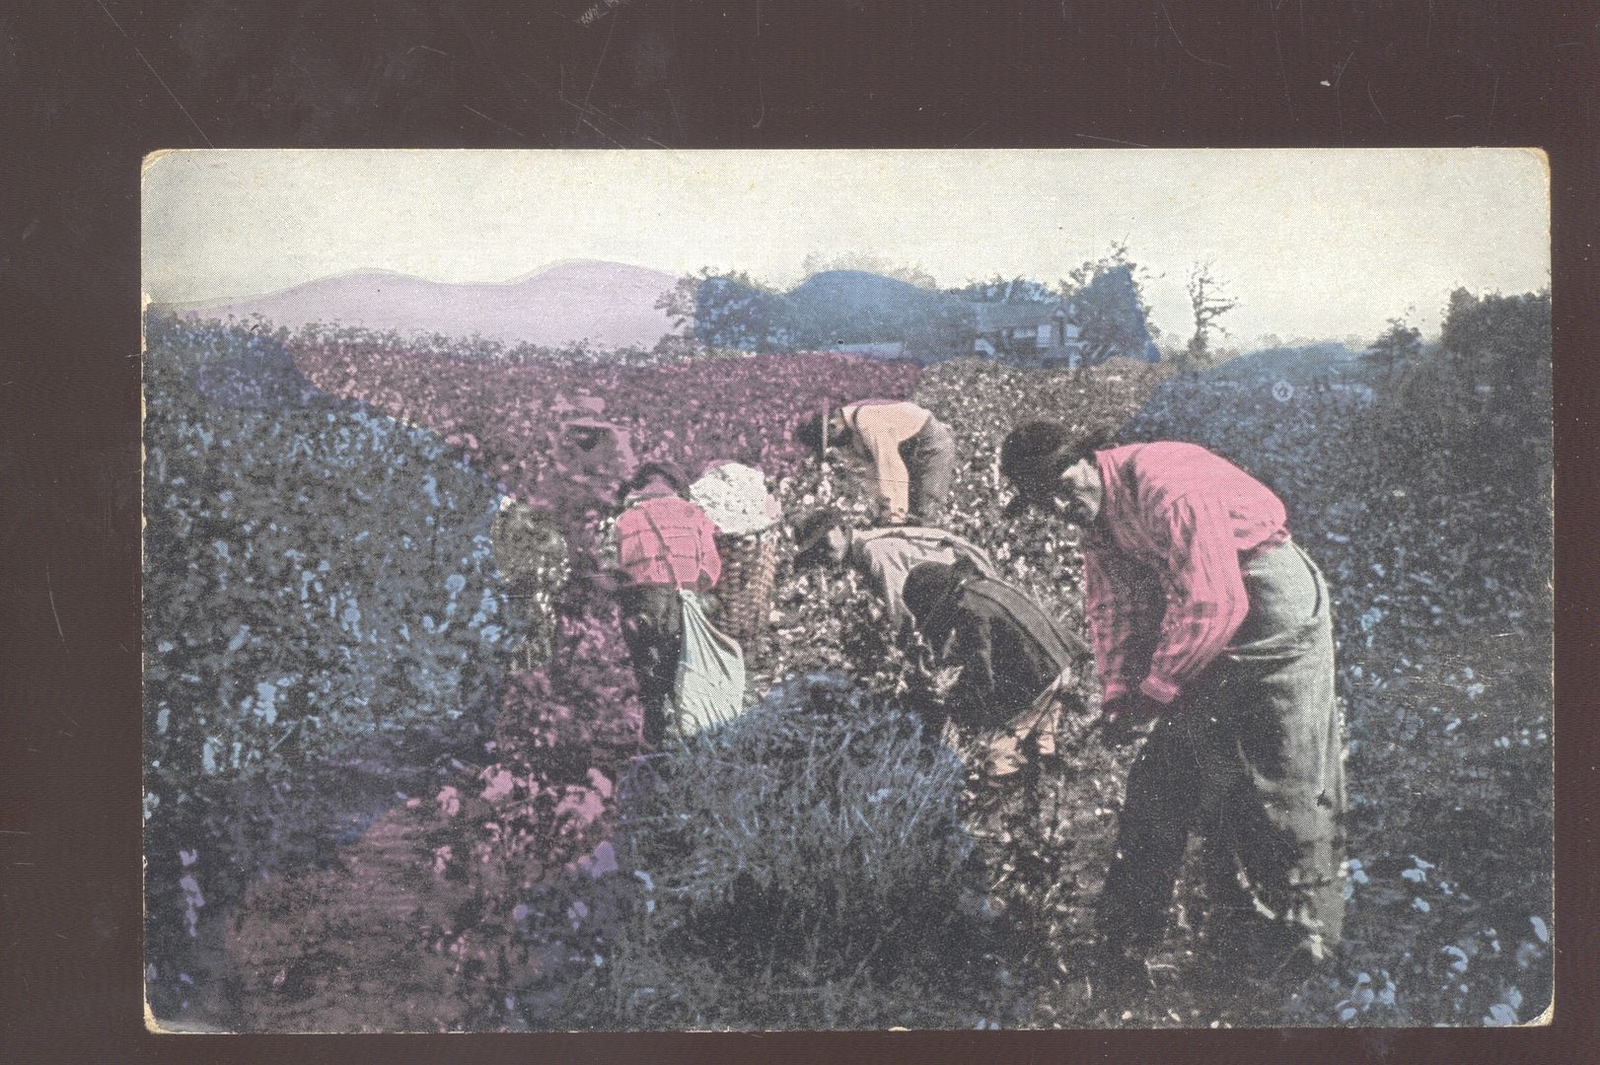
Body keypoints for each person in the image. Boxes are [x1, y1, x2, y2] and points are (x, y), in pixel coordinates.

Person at [999, 422, 1346, 997]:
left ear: (1090, 459)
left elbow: (1216, 602)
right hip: (1203, 618)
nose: (1060, 506)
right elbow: (1115, 604)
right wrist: (1118, 693)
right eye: (1042, 501)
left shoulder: (1167, 485)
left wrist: (1156, 692)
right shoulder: (1096, 519)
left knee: (1284, 785)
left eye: (1063, 487)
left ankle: (1309, 955)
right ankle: (1125, 950)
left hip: (1270, 606)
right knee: (1163, 785)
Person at [899, 558, 1091, 778]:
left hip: (1040, 675)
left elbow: (981, 673)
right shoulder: (985, 587)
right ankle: (1049, 783)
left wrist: (956, 704)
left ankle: (1004, 796)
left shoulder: (969, 610)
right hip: (1059, 662)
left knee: (996, 759)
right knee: (1042, 740)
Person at [613, 461, 743, 743]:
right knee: (687, 671)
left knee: (652, 682)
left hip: (642, 606)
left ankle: (655, 743)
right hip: (683, 600)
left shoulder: (625, 520)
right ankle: (694, 739)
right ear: (675, 486)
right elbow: (711, 568)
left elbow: (619, 569)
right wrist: (692, 587)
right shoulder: (694, 514)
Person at [791, 510, 1000, 634]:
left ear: (842, 528)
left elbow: (901, 613)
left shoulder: (874, 551)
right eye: (814, 551)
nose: (822, 552)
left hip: (970, 587)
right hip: (960, 587)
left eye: (824, 540)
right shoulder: (866, 545)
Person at [796, 399, 956, 525]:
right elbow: (871, 474)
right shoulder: (852, 433)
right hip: (909, 450)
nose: (835, 446)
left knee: (925, 514)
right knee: (910, 517)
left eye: (831, 441)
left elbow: (890, 467)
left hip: (931, 444)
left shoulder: (867, 421)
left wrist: (894, 516)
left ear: (832, 426)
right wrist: (880, 509)